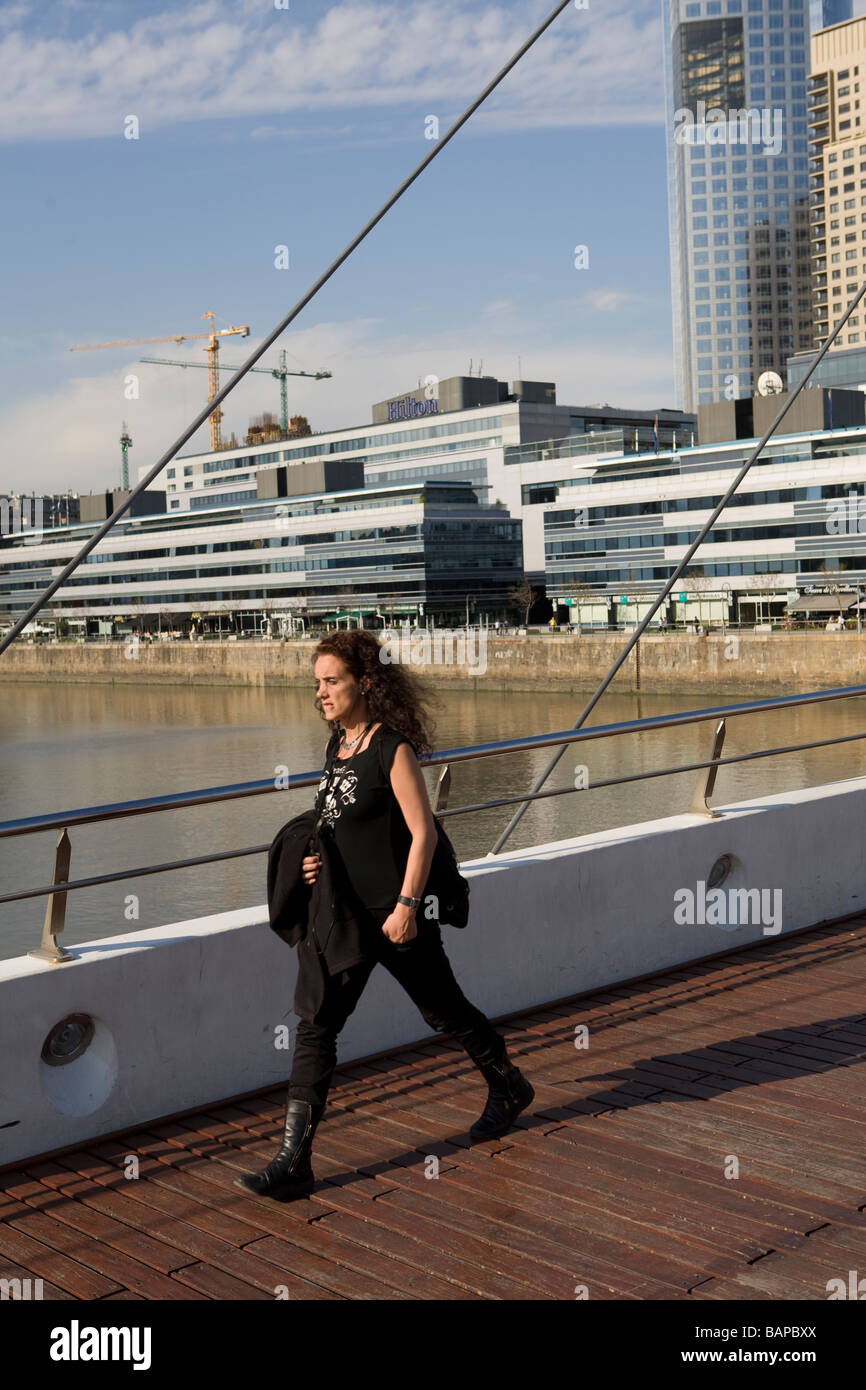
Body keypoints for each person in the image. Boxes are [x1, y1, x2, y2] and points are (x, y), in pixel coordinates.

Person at [234, 629, 534, 1202]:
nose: (320, 692)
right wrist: (309, 866)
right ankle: (294, 1160)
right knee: (317, 1025)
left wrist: (406, 907)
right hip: (343, 916)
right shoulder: (336, 746)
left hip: (395, 915)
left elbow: (423, 835)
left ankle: (509, 1084)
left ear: (364, 683)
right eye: (316, 682)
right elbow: (338, 825)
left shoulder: (389, 749)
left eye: (331, 681)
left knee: (444, 1011)